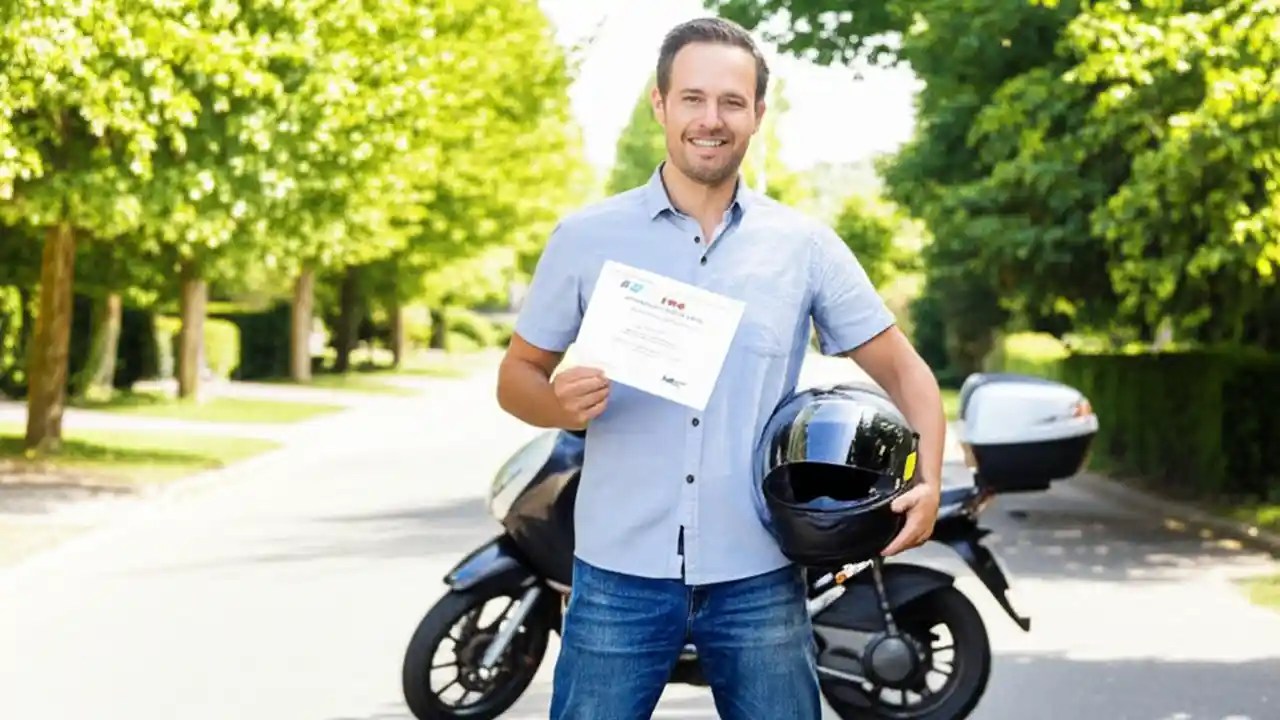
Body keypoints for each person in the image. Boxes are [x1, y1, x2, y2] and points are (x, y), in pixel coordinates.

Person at [496, 16, 946, 720]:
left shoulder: (803, 247)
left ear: (757, 114)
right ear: (660, 104)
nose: (712, 119)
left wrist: (930, 480)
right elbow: (516, 377)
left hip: (757, 574)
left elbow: (905, 371)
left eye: (732, 102)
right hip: (616, 576)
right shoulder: (585, 238)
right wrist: (556, 404)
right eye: (693, 98)